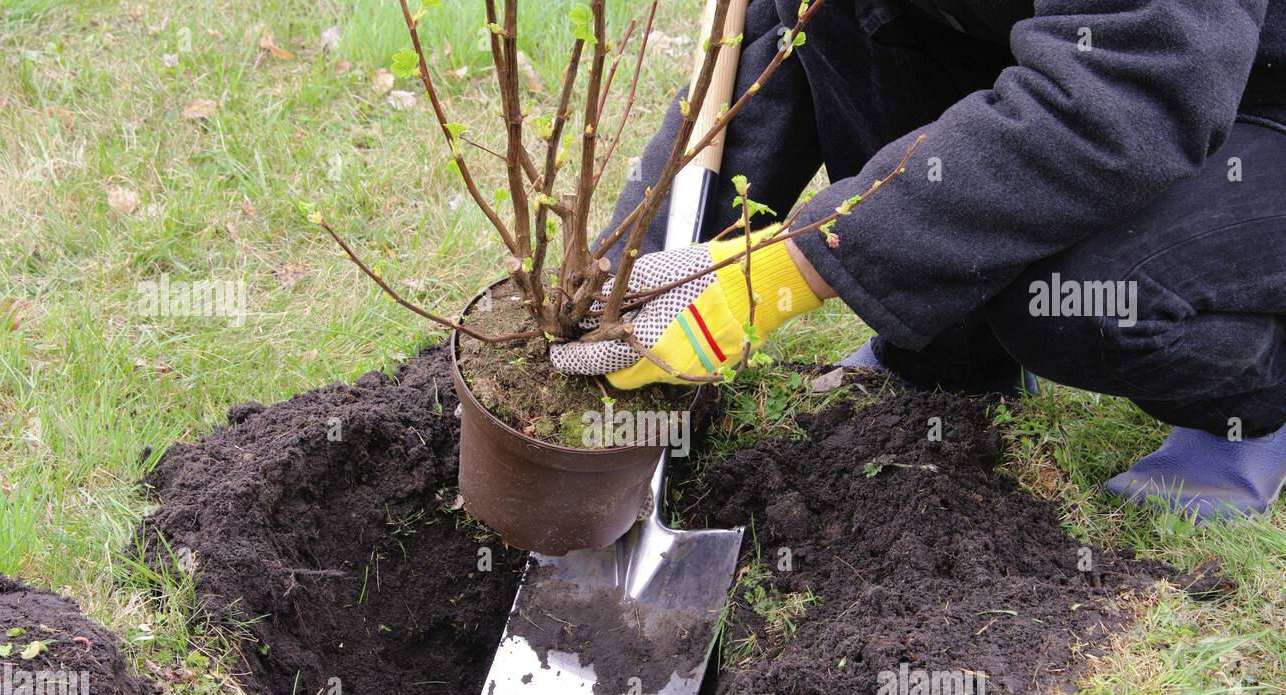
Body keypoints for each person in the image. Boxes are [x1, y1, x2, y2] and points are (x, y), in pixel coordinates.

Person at [550, 0, 1286, 522]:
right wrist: (639, 277)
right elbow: (783, 42)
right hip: (1086, 54)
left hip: (1245, 91)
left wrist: (796, 266)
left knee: (1070, 300)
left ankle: (1252, 406)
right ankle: (950, 355)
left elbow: (1136, 80)